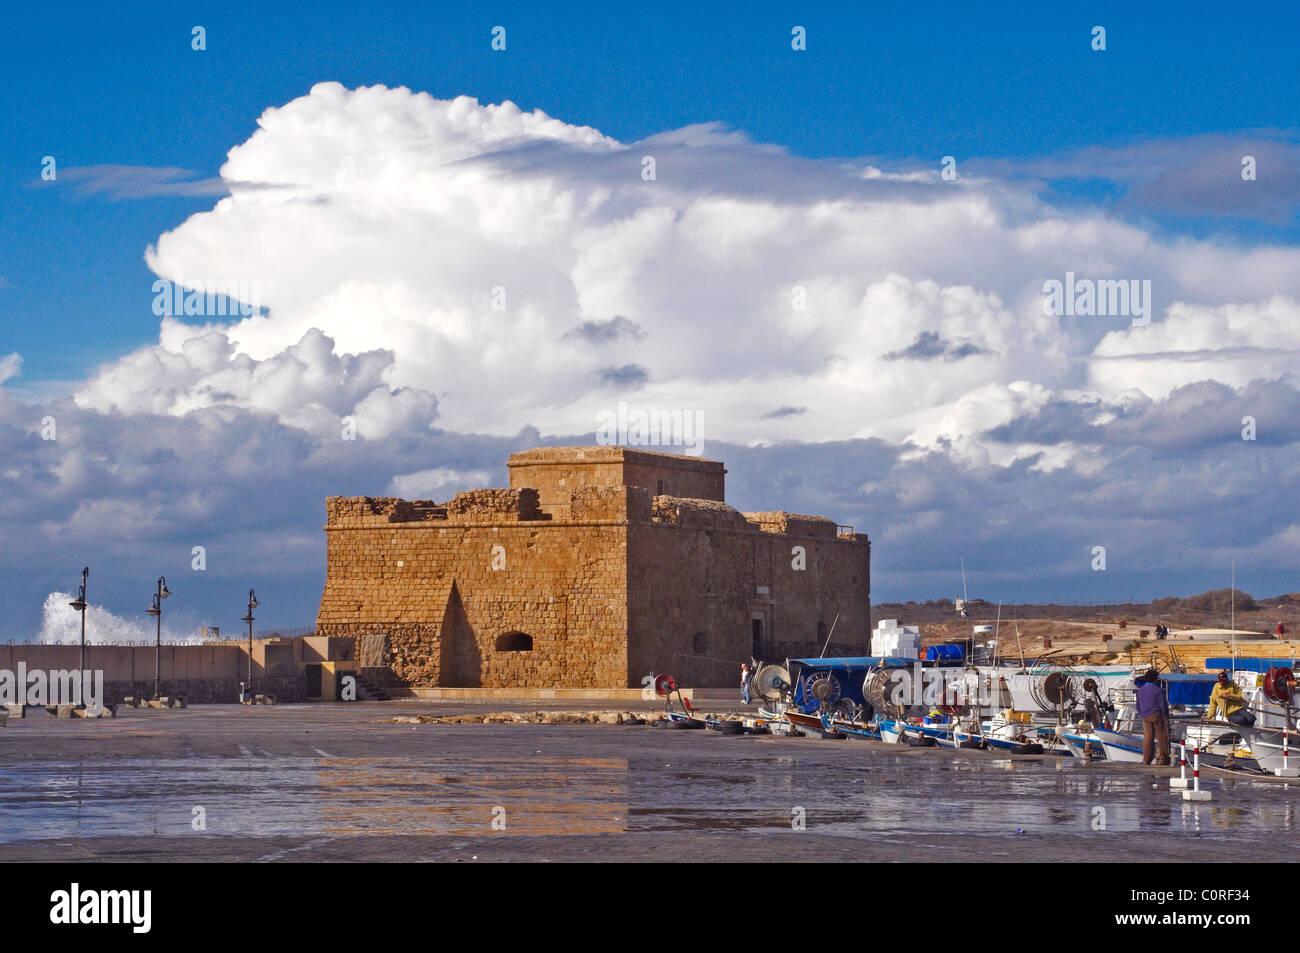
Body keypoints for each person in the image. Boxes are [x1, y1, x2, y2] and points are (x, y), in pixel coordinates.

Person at [1135, 668, 1171, 766]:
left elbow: (1137, 705)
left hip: (1145, 716)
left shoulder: (1140, 690)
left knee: (1148, 738)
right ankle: (1163, 759)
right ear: (1155, 679)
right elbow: (1163, 705)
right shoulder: (1158, 690)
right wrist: (1166, 717)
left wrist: (1142, 714)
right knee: (1162, 737)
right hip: (1156, 715)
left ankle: (1146, 760)